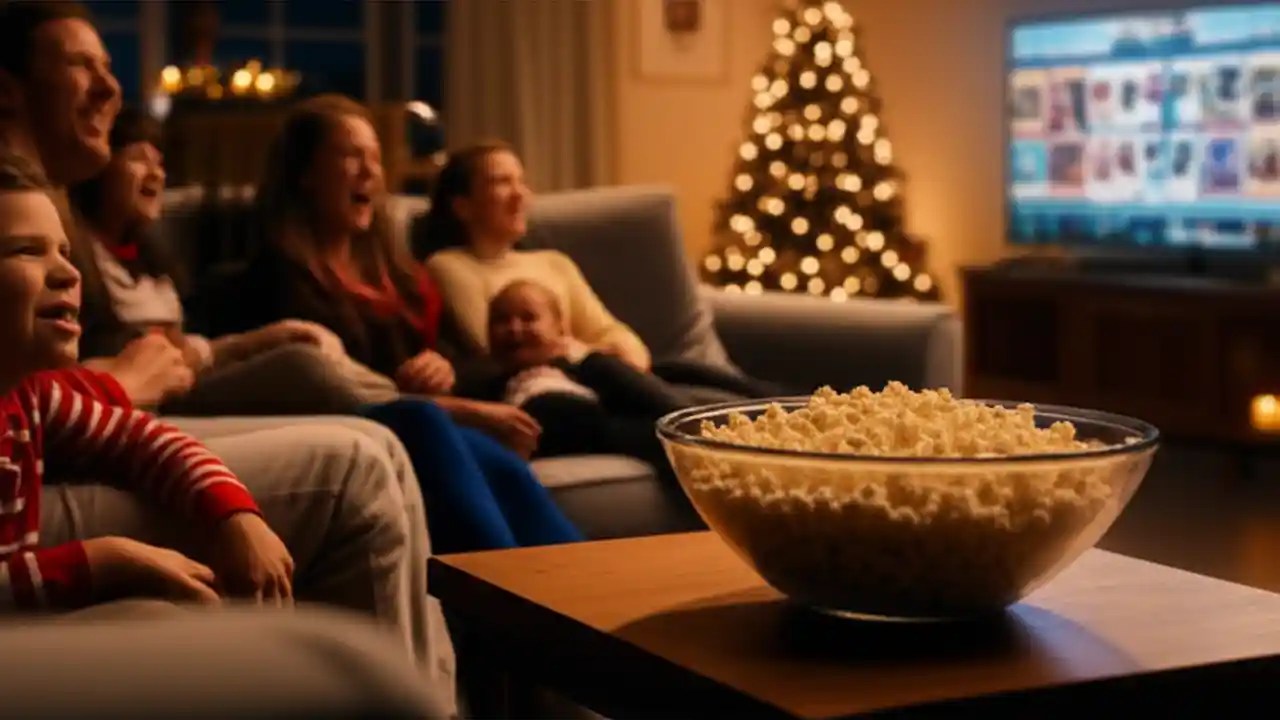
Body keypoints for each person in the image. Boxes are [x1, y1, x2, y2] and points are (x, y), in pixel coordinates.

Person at [0, 2, 456, 707]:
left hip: (107, 418)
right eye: (81, 65)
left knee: (381, 442)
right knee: (358, 455)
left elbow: (119, 400)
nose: (112, 88)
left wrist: (227, 497)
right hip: (76, 460)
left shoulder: (72, 236)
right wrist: (117, 386)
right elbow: (94, 381)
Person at [241, 93, 583, 553]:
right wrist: (458, 409)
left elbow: (473, 358)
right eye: (351, 156)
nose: (369, 172)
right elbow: (326, 388)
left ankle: (581, 586)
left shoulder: (400, 276)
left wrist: (445, 367)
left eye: (375, 158)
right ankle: (498, 590)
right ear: (305, 174)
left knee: (497, 463)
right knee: (426, 422)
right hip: (358, 425)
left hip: (428, 420)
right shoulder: (276, 278)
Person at [415, 140, 782, 398]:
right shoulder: (450, 266)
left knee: (705, 377)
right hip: (565, 384)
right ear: (463, 206)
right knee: (688, 403)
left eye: (521, 181)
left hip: (612, 372)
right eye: (501, 182)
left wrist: (616, 357)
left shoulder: (553, 263)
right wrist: (588, 354)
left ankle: (799, 407)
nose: (520, 194)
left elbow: (613, 333)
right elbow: (502, 349)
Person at [67, 105, 367, 416]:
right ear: (99, 168)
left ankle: (391, 404)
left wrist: (264, 339)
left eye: (159, 163)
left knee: (309, 354)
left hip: (185, 379)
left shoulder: (153, 261)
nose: (156, 174)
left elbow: (189, 348)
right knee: (303, 365)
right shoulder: (78, 256)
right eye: (139, 159)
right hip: (150, 398)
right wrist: (250, 343)